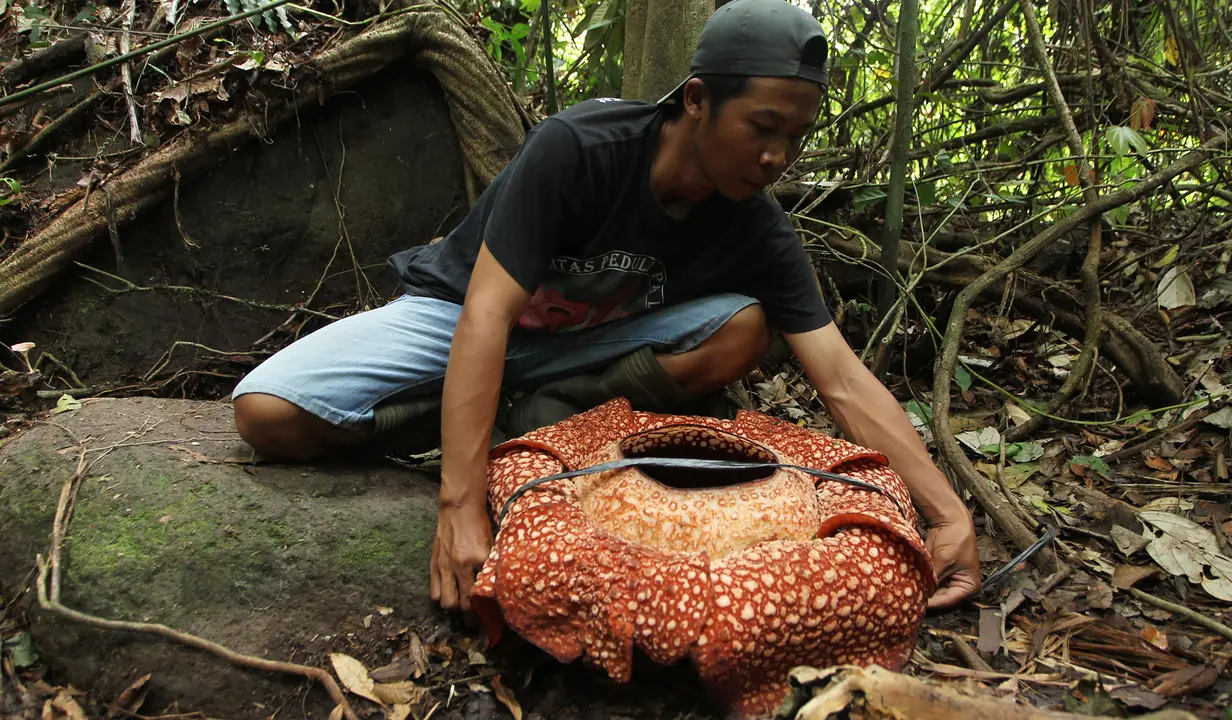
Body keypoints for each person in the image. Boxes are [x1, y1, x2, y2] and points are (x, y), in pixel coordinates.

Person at [231, 0, 981, 618]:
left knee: (745, 326)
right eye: (761, 127)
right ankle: (479, 422)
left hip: (586, 349)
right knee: (268, 415)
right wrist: (460, 503)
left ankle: (547, 413)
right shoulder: (580, 149)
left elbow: (841, 378)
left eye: (795, 137)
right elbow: (486, 316)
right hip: (461, 316)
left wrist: (947, 516)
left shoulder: (757, 226)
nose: (776, 157)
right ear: (697, 100)